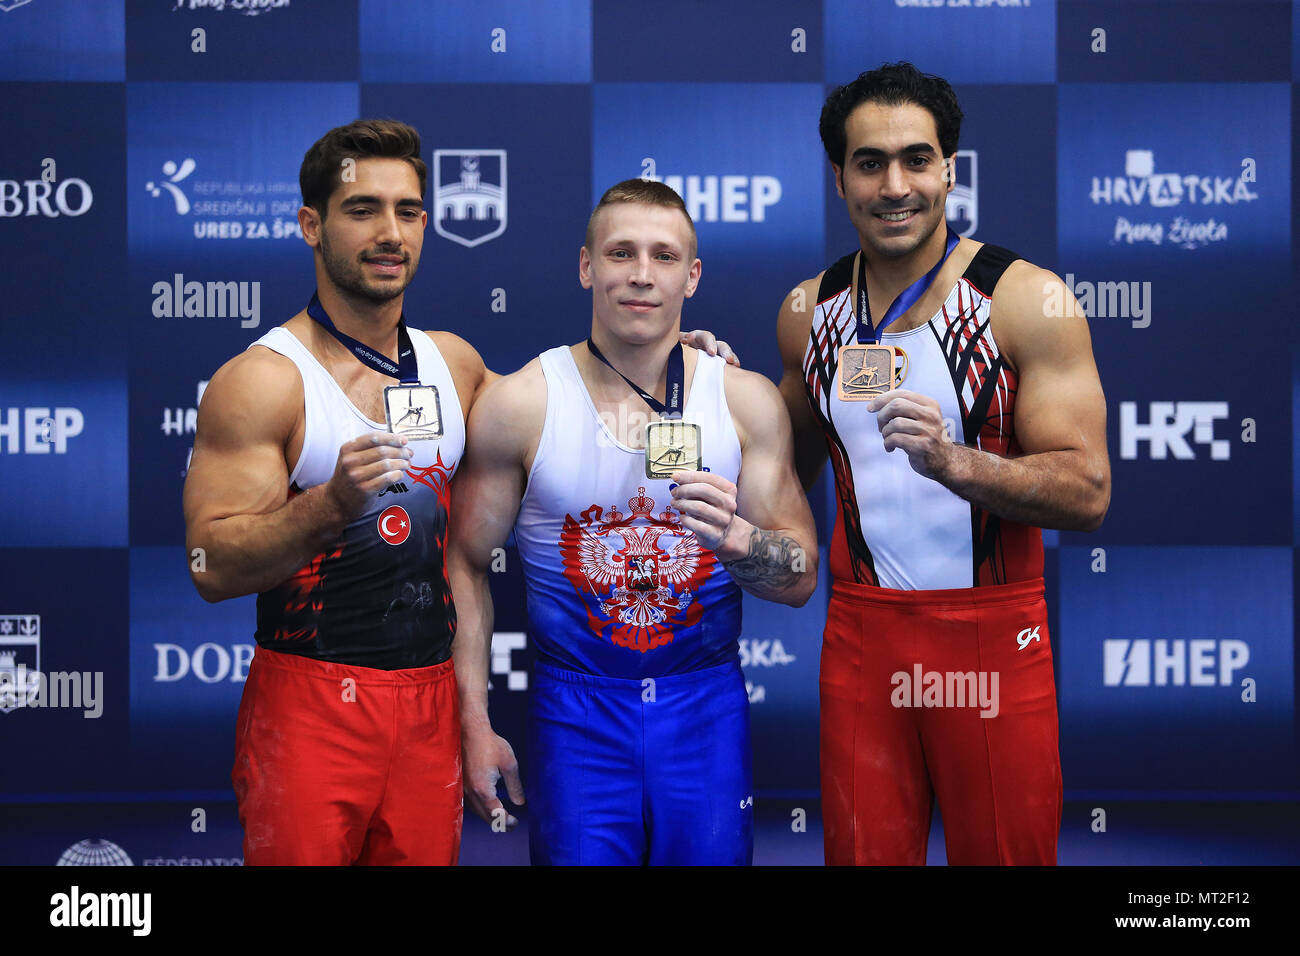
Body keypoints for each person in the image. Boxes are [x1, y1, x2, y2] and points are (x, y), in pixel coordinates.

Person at [183, 120, 739, 865]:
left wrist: (674, 355)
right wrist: (326, 507)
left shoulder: (454, 365)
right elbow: (210, 566)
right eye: (362, 210)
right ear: (310, 225)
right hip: (309, 699)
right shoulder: (264, 380)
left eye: (408, 211)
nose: (390, 233)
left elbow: (568, 398)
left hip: (427, 707)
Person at [776, 63, 1110, 865]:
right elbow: (776, 469)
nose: (895, 186)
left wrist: (959, 465)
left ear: (950, 168)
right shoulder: (805, 313)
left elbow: (1088, 490)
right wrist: (691, 383)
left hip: (991, 636)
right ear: (839, 178)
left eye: (916, 160)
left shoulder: (1024, 300)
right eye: (870, 163)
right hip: (861, 640)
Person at [448, 179, 818, 865]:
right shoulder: (521, 404)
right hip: (575, 712)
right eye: (621, 253)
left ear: (692, 275)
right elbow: (464, 561)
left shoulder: (743, 401)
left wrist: (741, 543)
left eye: (664, 256)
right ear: (587, 266)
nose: (642, 275)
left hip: (704, 706)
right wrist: (473, 720)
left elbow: (799, 576)